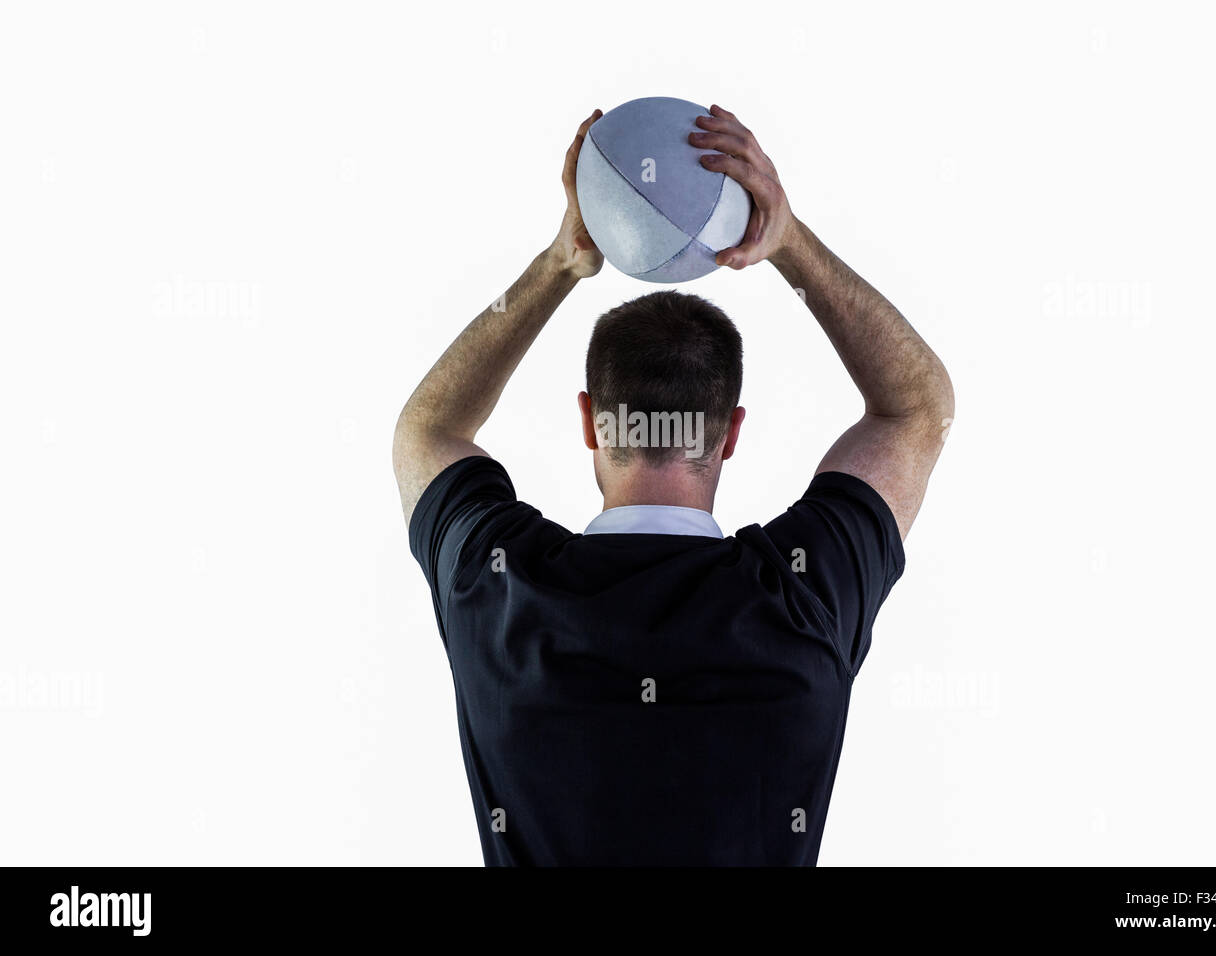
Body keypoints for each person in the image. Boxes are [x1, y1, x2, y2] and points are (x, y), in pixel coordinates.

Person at [392, 106, 954, 865]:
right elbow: (917, 406)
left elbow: (427, 430)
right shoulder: (805, 593)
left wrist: (562, 260)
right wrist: (786, 242)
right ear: (730, 432)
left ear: (592, 422)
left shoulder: (498, 588)